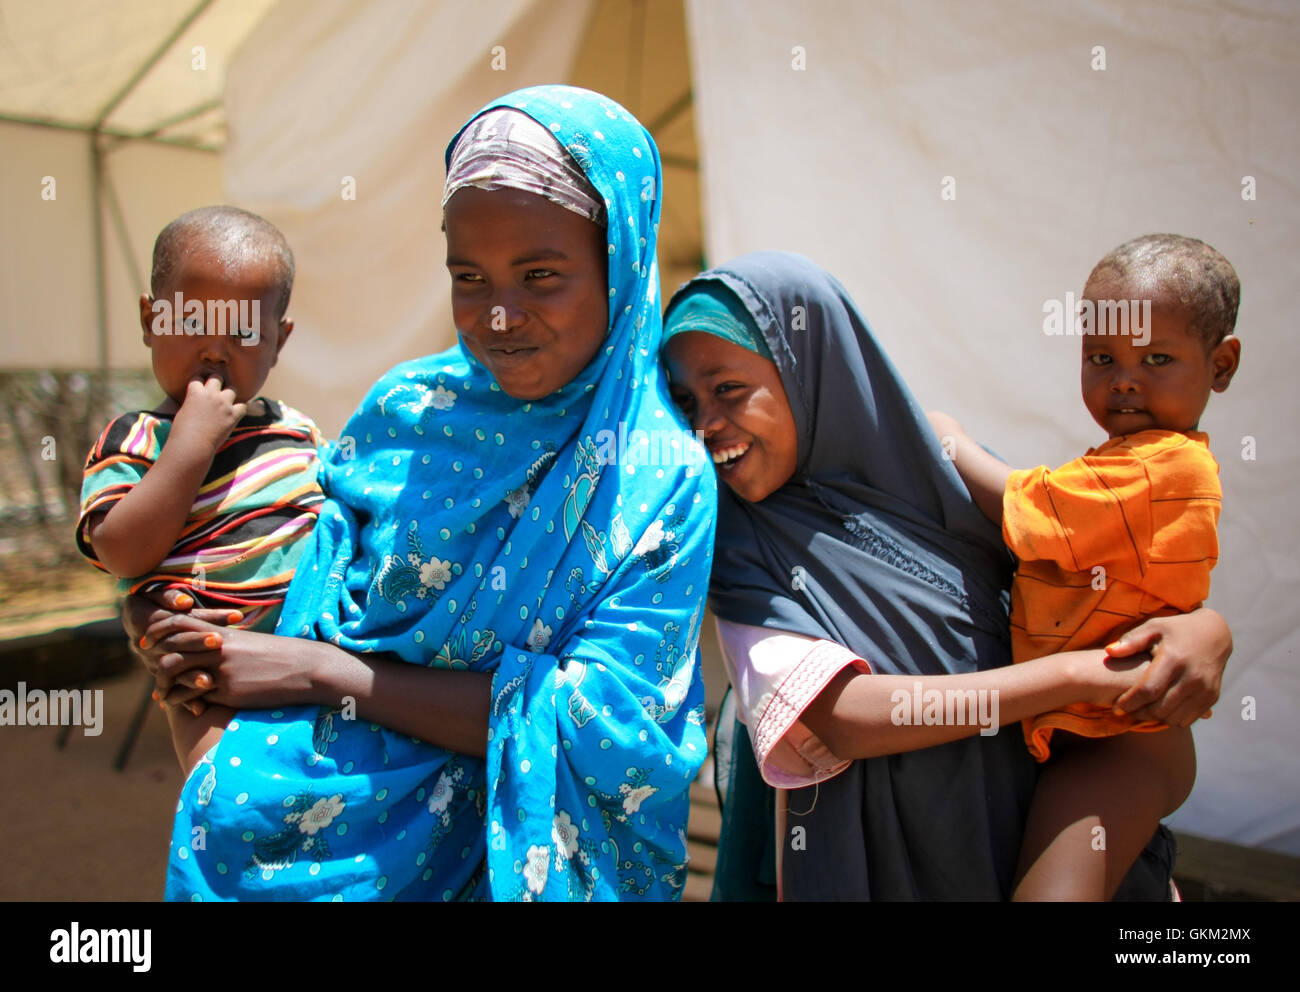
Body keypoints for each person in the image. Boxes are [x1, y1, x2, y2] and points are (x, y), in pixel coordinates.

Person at [123, 85, 716, 901]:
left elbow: (607, 728)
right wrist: (175, 630)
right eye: (469, 277)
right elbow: (293, 580)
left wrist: (320, 673)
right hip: (291, 833)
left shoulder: (661, 478)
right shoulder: (408, 412)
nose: (500, 315)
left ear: (622, 262)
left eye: (541, 276)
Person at [660, 251, 1232, 900]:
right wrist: (1069, 678)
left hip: (1047, 829)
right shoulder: (742, 545)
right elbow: (840, 717)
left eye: (728, 389)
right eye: (684, 401)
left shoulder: (941, 475)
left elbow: (1091, 576)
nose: (705, 423)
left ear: (809, 367)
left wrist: (1203, 627)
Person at [929, 233, 1241, 900]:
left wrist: (950, 441)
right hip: (1087, 728)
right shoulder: (1120, 458)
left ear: (1222, 365)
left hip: (1122, 739)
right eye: (1101, 357)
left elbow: (1026, 510)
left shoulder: (1169, 466)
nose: (1123, 378)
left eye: (1157, 358)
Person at [77, 206, 321, 773]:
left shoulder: (298, 432)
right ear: (149, 320)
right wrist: (189, 445)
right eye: (191, 324)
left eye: (242, 333)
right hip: (202, 672)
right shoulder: (135, 441)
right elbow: (121, 551)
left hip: (309, 658)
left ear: (279, 341)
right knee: (225, 797)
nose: (214, 352)